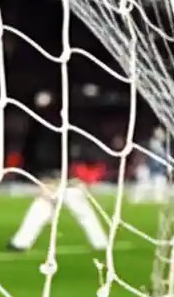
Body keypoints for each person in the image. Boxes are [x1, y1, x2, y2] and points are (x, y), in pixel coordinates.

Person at [7, 90, 109, 252]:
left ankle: (20, 242)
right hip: (55, 175)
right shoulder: (49, 129)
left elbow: (45, 154)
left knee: (58, 207)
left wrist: (47, 176)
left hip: (57, 176)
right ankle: (20, 242)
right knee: (53, 208)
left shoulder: (44, 130)